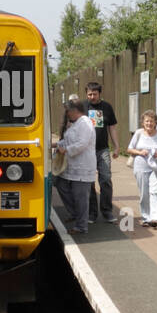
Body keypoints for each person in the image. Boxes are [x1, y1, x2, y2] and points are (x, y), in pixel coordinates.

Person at [52, 98, 96, 234]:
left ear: (74, 111)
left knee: (80, 197)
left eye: (68, 111)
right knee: (59, 183)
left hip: (82, 166)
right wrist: (56, 145)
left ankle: (81, 226)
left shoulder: (85, 123)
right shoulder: (76, 124)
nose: (67, 114)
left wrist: (66, 149)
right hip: (72, 166)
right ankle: (75, 214)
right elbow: (68, 140)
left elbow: (82, 143)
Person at [84, 83, 120, 223]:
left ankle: (107, 211)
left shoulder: (107, 107)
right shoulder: (82, 107)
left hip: (102, 149)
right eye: (89, 94)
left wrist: (116, 147)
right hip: (86, 152)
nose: (92, 97)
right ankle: (92, 213)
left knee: (105, 179)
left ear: (100, 93)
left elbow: (112, 128)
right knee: (89, 182)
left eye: (94, 94)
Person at [126, 110, 157, 227]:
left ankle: (155, 218)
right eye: (147, 121)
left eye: (151, 121)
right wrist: (139, 152)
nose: (149, 123)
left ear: (155, 123)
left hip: (156, 167)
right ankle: (145, 217)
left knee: (154, 192)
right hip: (141, 167)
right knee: (144, 194)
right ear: (143, 123)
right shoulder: (138, 133)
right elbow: (129, 149)